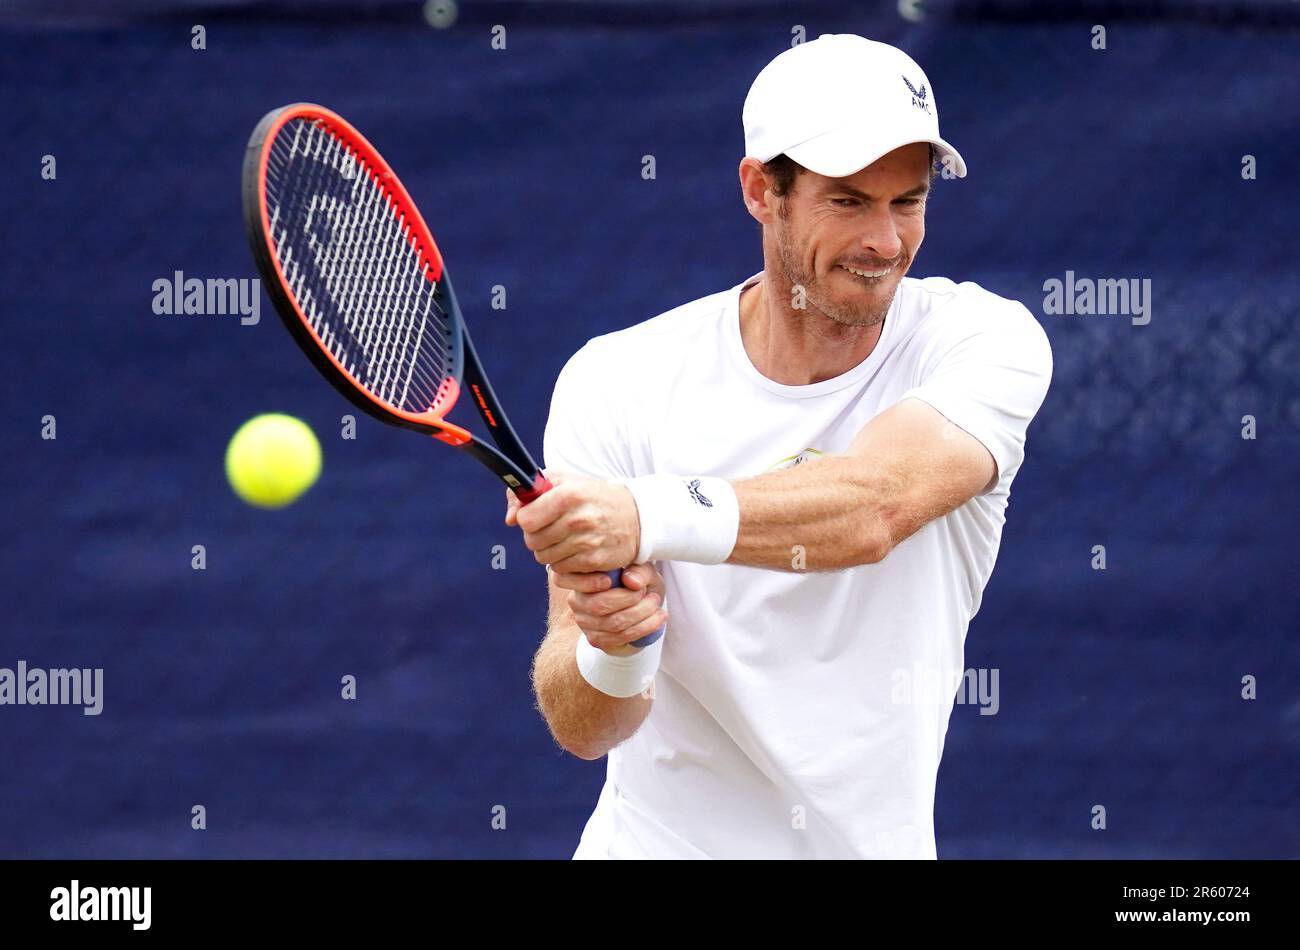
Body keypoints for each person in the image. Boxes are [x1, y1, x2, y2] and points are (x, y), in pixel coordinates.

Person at [507, 33, 1053, 859]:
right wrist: (618, 648)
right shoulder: (616, 378)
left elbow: (874, 507)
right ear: (761, 191)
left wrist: (642, 514)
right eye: (847, 201)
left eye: (907, 202)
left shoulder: (984, 341)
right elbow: (584, 729)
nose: (885, 241)